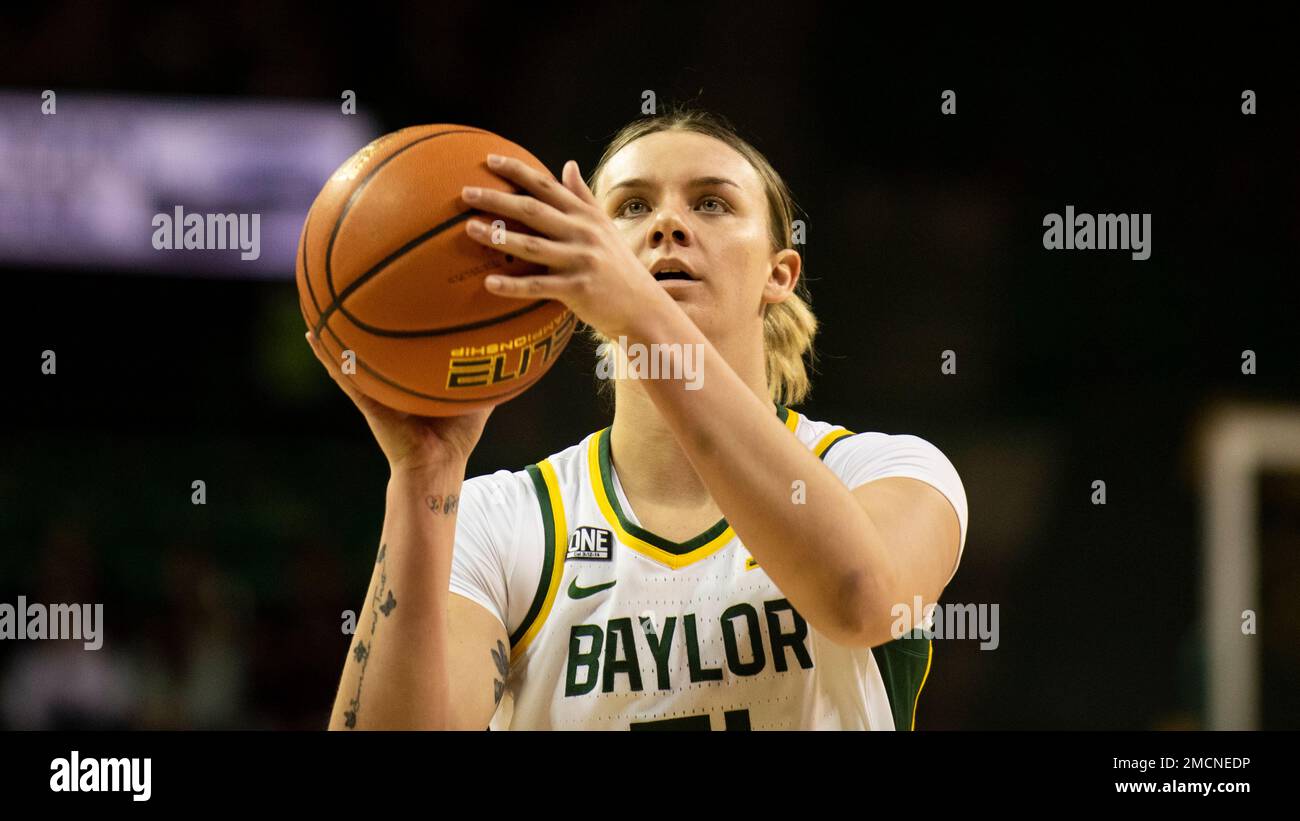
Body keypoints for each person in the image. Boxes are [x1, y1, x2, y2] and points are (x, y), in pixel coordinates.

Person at [308, 107, 968, 730]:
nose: (666, 224)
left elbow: (859, 596)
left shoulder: (886, 472)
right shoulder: (501, 519)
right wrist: (424, 474)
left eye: (712, 203)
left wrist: (639, 311)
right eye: (630, 207)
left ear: (781, 274)